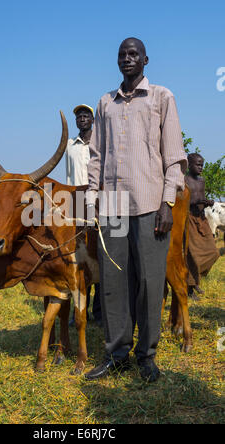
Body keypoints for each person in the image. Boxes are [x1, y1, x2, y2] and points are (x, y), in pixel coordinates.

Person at [85, 38, 187, 382]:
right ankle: (116, 353)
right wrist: (91, 198)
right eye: (121, 54)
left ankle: (147, 356)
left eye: (133, 54)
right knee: (113, 282)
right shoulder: (105, 103)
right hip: (111, 204)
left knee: (148, 280)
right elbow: (97, 156)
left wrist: (167, 202)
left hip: (149, 203)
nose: (127, 59)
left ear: (145, 59)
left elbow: (174, 157)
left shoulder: (161, 97)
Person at [65, 104, 102, 327]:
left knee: (99, 253)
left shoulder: (101, 143)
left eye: (86, 115)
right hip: (76, 201)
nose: (82, 119)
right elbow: (69, 175)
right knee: (78, 256)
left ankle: (99, 312)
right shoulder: (70, 146)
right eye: (79, 116)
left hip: (98, 200)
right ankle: (79, 312)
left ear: (93, 120)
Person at [185, 153, 220, 300]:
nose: (201, 168)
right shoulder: (183, 180)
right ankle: (190, 288)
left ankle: (196, 279)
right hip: (189, 219)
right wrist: (197, 201)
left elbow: (201, 197)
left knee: (213, 252)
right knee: (192, 254)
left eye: (202, 165)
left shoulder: (202, 181)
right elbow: (183, 200)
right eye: (197, 165)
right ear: (188, 164)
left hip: (202, 219)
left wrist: (207, 201)